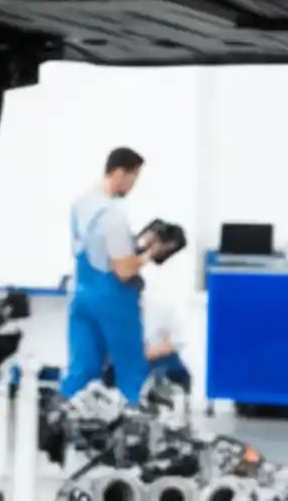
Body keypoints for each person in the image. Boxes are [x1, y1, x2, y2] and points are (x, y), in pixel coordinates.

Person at [60, 147, 171, 406]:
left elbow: (94, 249)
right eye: (134, 177)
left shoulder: (81, 203)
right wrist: (151, 252)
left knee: (82, 370)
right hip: (113, 300)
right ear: (121, 173)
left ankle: (59, 426)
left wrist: (135, 245)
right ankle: (133, 435)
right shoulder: (113, 215)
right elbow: (123, 270)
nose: (133, 185)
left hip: (81, 294)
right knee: (131, 371)